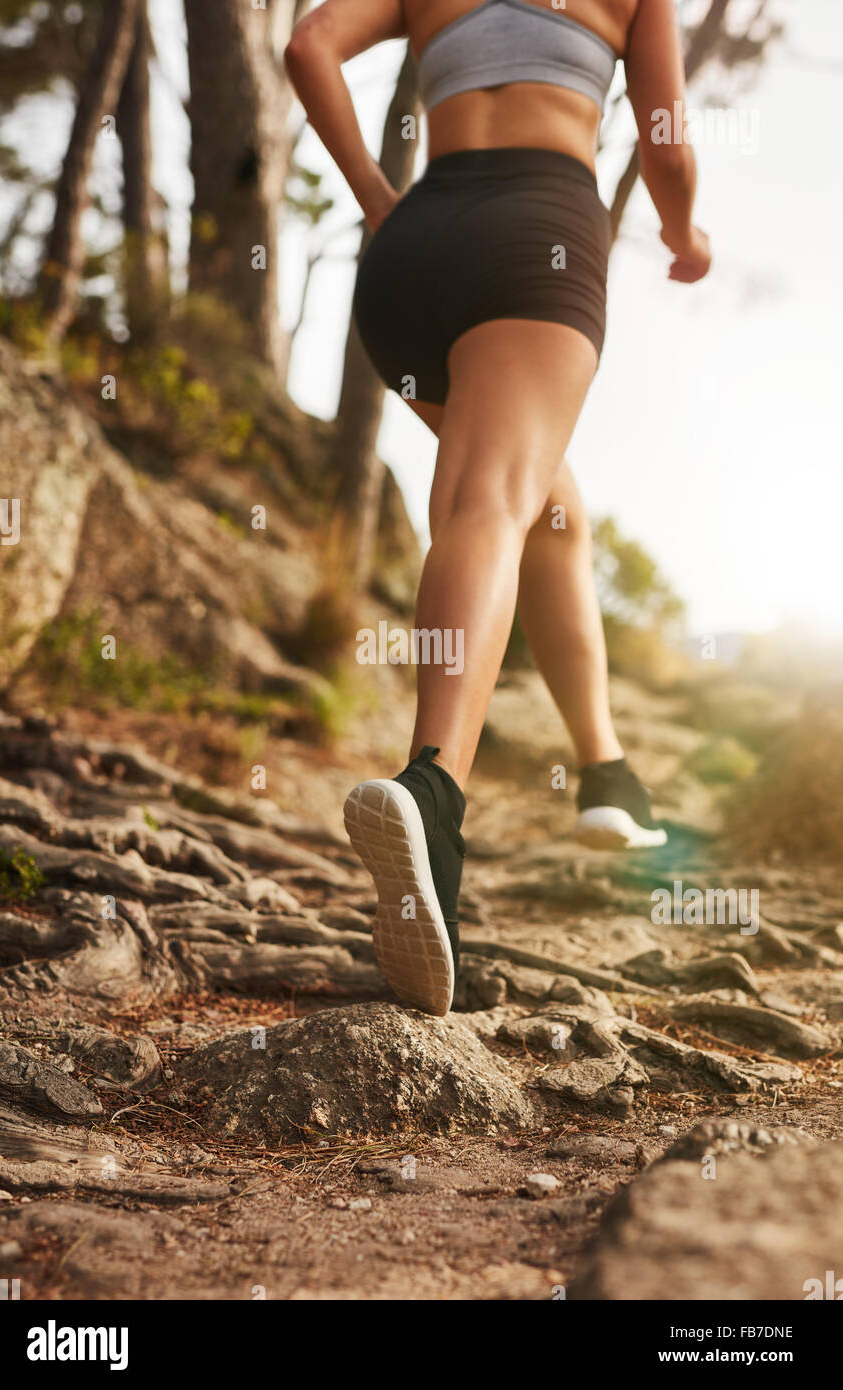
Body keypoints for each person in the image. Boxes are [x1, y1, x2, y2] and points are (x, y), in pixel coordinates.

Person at [285, 0, 711, 1015]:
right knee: (490, 495)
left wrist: (376, 197)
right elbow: (662, 137)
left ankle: (605, 771)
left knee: (547, 506)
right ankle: (432, 788)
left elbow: (306, 45)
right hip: (537, 233)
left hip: (411, 253)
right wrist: (682, 230)